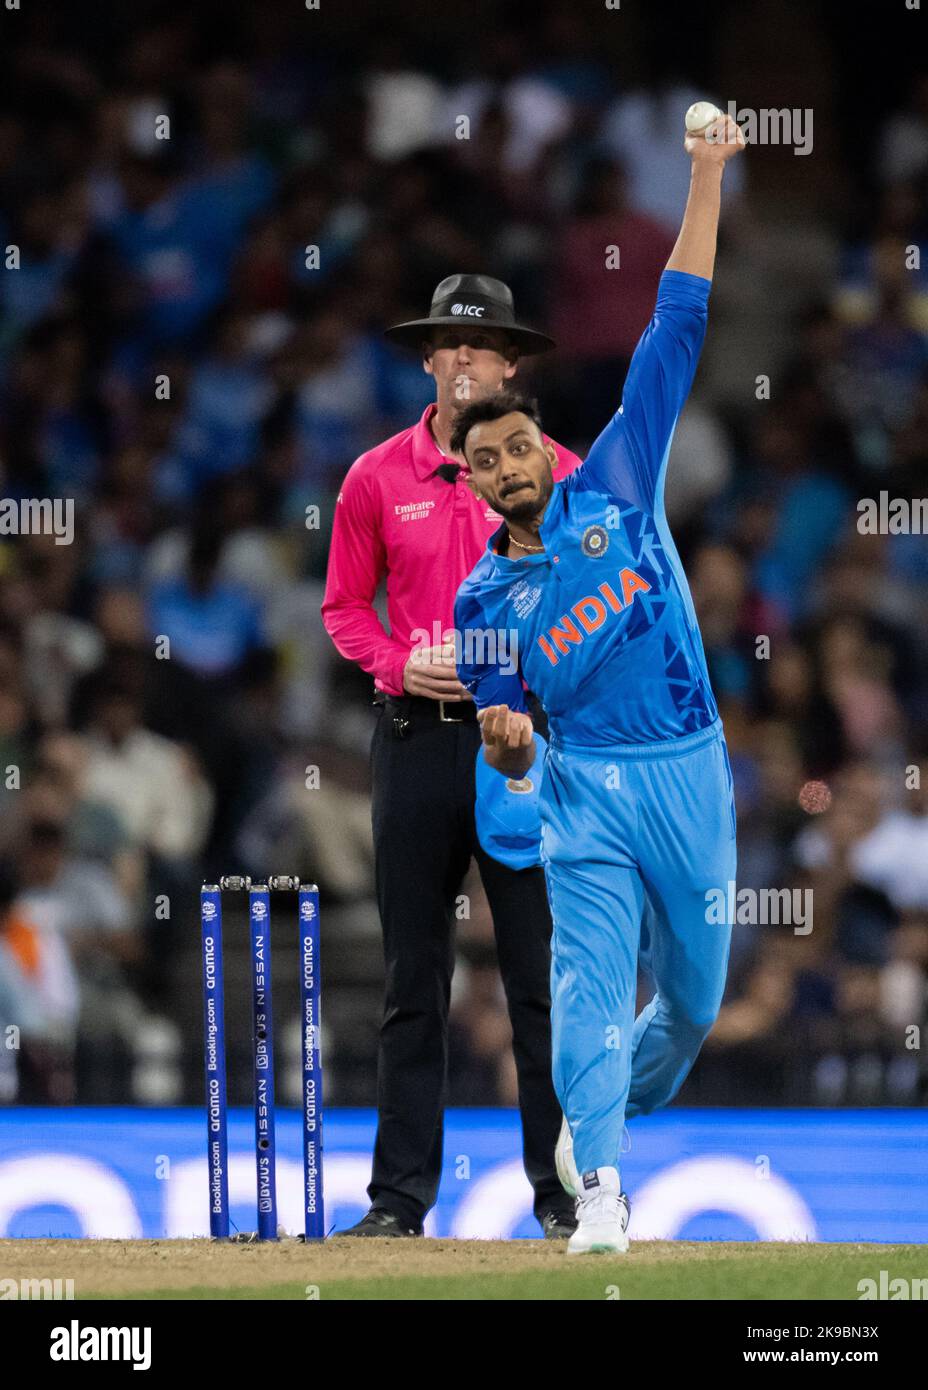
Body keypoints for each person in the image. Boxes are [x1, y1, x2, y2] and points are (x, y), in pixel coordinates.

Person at [452, 113, 746, 1253]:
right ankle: (604, 1193)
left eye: (518, 446)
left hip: (687, 770)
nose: (507, 466)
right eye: (484, 460)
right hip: (583, 796)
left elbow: (679, 317)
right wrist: (513, 747)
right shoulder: (481, 604)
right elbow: (502, 737)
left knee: (694, 1006)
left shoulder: (620, 477)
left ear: (544, 450)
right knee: (584, 983)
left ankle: (609, 1107)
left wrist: (708, 171)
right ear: (472, 482)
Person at [322, 274, 582, 1237]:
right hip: (419, 747)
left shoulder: (558, 469)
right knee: (411, 981)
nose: (466, 359)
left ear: (512, 363)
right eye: (449, 345)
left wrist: (533, 673)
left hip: (528, 750)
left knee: (542, 983)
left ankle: (564, 1199)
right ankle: (397, 1206)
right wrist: (399, 666)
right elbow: (344, 609)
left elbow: (599, 593)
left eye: (483, 346)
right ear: (428, 361)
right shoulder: (374, 477)